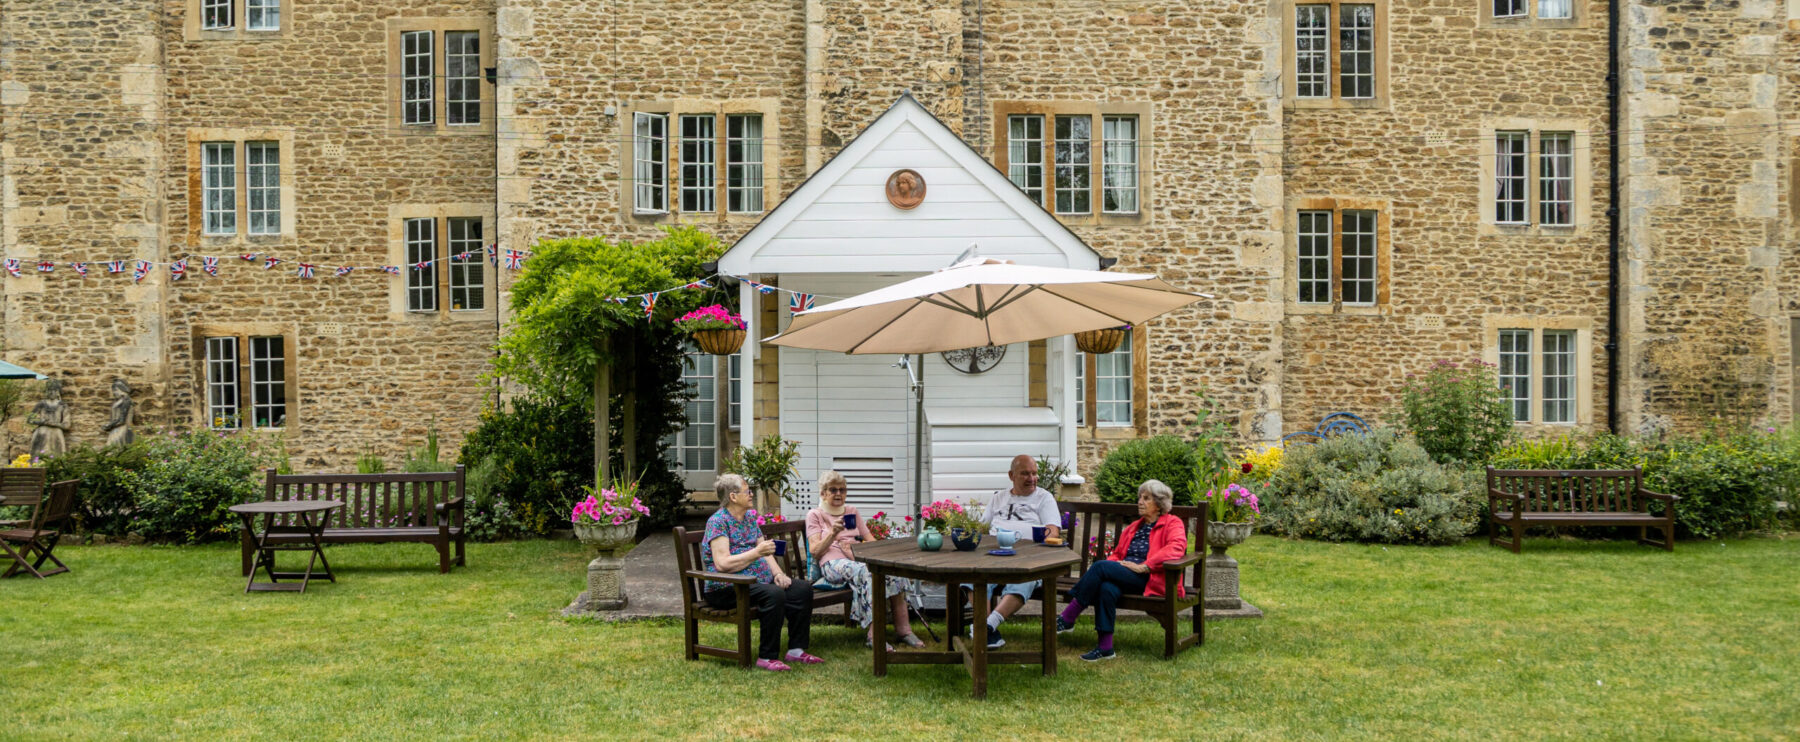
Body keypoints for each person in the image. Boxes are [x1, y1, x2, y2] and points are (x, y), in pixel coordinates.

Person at [700, 473, 822, 672]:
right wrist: (755, 553)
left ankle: (796, 650)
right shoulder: (718, 522)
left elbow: (765, 552)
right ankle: (767, 656)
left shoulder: (749, 518)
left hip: (756, 583)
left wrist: (778, 574)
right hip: (726, 587)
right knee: (773, 594)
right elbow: (722, 564)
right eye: (747, 491)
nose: (751, 494)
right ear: (733, 496)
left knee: (801, 589)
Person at [1056, 479, 1187, 661]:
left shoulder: (1173, 523)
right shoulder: (1135, 527)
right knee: (1106, 588)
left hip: (1151, 579)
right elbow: (1117, 555)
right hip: (1128, 574)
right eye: (1140, 497)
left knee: (1100, 566)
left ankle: (1068, 616)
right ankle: (1105, 648)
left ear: (1159, 503)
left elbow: (1176, 548)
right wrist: (1115, 567)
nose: (1140, 501)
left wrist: (1145, 566)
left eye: (1146, 498)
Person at [804, 470, 926, 650]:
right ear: (823, 493)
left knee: (893, 570)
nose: (838, 494)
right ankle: (874, 635)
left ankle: (904, 630)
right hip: (832, 563)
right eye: (833, 490)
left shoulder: (851, 511)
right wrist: (833, 533)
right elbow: (815, 551)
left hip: (855, 559)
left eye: (842, 490)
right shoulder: (815, 515)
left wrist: (877, 555)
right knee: (869, 572)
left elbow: (870, 540)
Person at [964, 454, 1063, 648]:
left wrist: (1037, 540)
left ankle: (987, 626)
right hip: (993, 554)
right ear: (1011, 475)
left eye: (1034, 473)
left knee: (1024, 580)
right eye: (1025, 473)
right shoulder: (999, 497)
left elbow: (1053, 530)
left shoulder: (1044, 498)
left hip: (1027, 557)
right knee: (970, 576)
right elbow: (983, 528)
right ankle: (988, 631)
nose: (1031, 478)